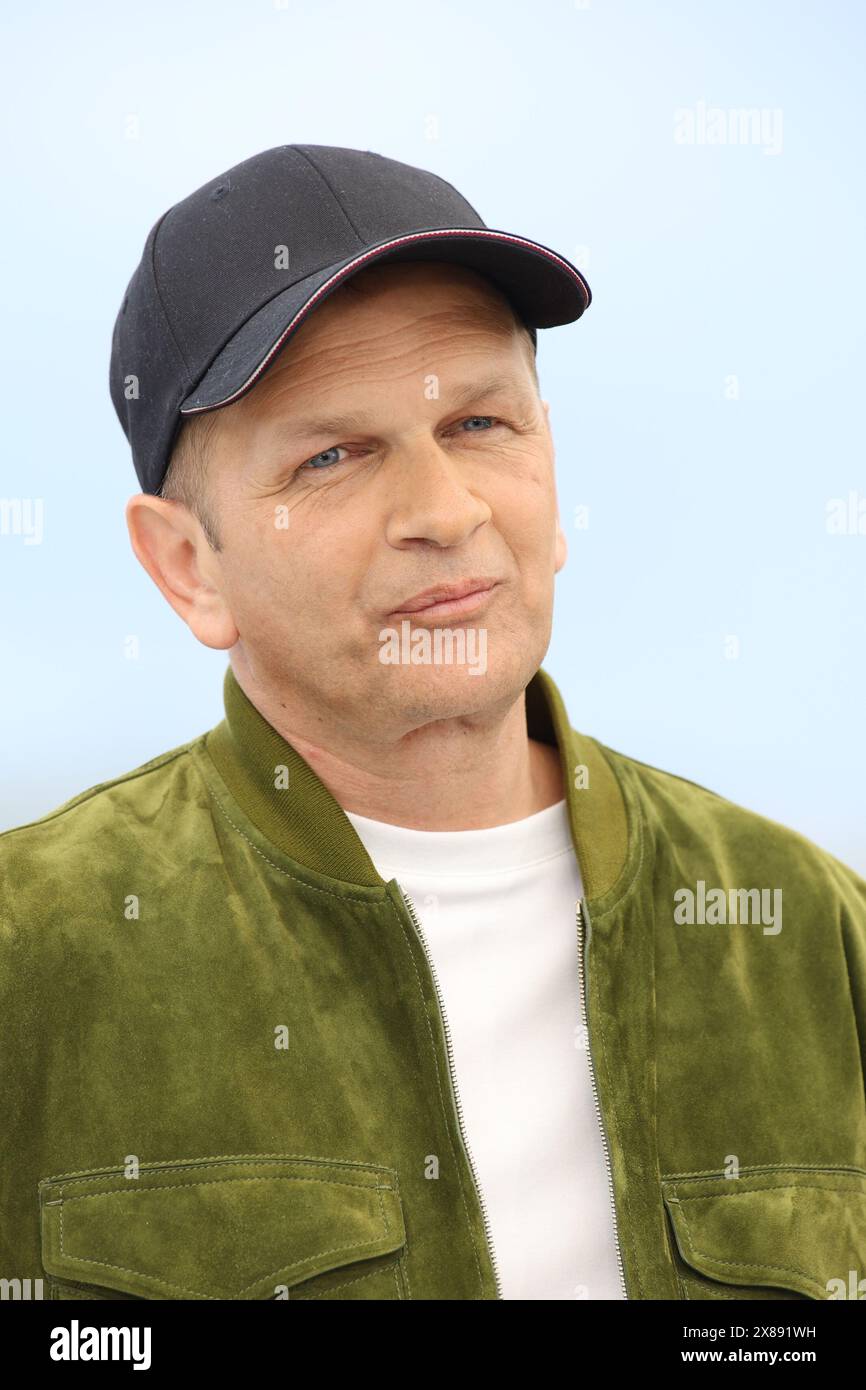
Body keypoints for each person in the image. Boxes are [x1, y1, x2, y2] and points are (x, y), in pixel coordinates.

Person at [1, 145, 864, 1303]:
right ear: (186, 565)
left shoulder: (809, 928)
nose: (445, 512)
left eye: (477, 425)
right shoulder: (32, 958)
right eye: (332, 454)